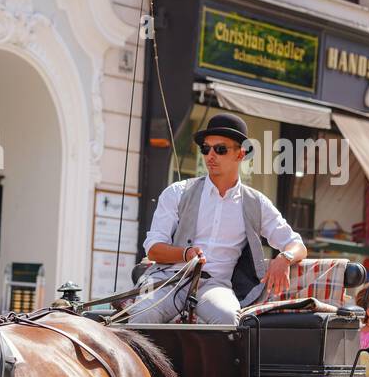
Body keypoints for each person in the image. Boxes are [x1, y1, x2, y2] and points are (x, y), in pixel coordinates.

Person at [130, 112, 307, 325]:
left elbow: (297, 244)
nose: (210, 155)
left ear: (241, 155)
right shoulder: (177, 192)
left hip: (214, 287)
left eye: (220, 149)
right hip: (169, 280)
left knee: (228, 318)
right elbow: (153, 249)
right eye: (206, 148)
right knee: (142, 313)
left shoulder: (255, 203)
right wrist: (185, 253)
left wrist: (284, 258)